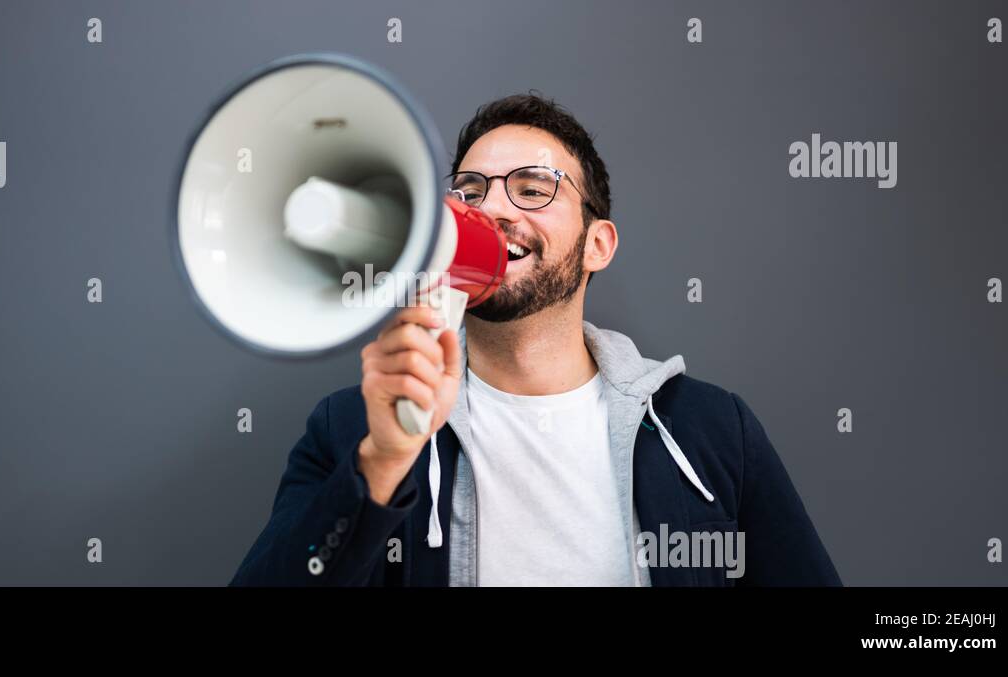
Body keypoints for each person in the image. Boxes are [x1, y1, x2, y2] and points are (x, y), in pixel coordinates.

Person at [230, 93, 841, 586]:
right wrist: (382, 464)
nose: (491, 209)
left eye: (532, 188)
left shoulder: (709, 429)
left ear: (597, 244)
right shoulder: (352, 427)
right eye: (469, 191)